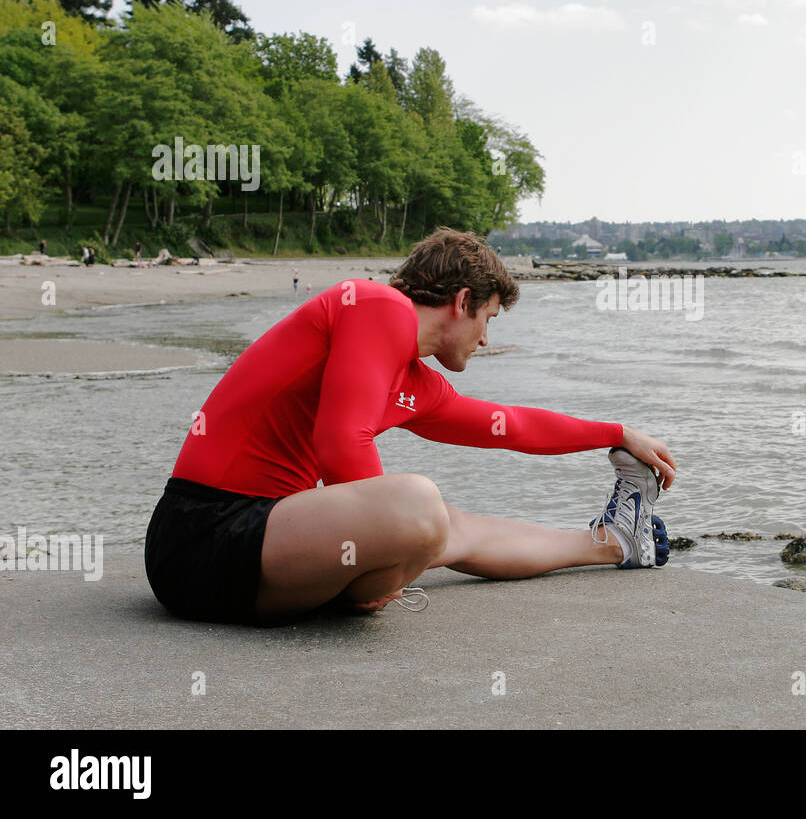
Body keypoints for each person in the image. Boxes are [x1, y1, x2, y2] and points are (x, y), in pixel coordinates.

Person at [144, 227, 675, 626]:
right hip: (202, 535)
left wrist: (616, 433)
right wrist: (383, 542)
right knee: (417, 505)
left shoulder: (417, 384)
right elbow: (340, 439)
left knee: (445, 522)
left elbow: (511, 426)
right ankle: (371, 570)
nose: (485, 340)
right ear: (462, 301)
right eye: (487, 319)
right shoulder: (377, 307)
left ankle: (613, 543)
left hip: (268, 554)